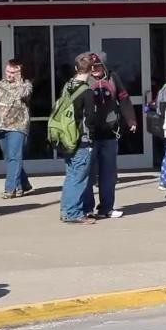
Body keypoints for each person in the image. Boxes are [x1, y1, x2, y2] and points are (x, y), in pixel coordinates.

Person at [83, 52, 137, 219]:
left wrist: (130, 119)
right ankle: (87, 208)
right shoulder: (83, 80)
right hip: (89, 134)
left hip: (109, 132)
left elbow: (124, 98)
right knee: (88, 174)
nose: (94, 70)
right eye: (91, 68)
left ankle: (106, 208)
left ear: (104, 66)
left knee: (108, 174)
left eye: (97, 66)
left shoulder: (113, 78)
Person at [58, 54, 96, 224]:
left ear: (75, 69)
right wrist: (92, 139)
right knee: (78, 177)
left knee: (71, 175)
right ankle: (72, 212)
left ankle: (68, 209)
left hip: (66, 138)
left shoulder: (67, 87)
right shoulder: (87, 91)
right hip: (81, 140)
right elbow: (90, 118)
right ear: (92, 70)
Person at [0, 59, 33, 199]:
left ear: (19, 73)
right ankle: (23, 184)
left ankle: (10, 188)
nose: (9, 74)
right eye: (8, 71)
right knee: (9, 158)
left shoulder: (26, 85)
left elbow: (24, 94)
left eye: (13, 72)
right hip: (1, 126)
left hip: (18, 126)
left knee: (15, 157)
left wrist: (19, 79)